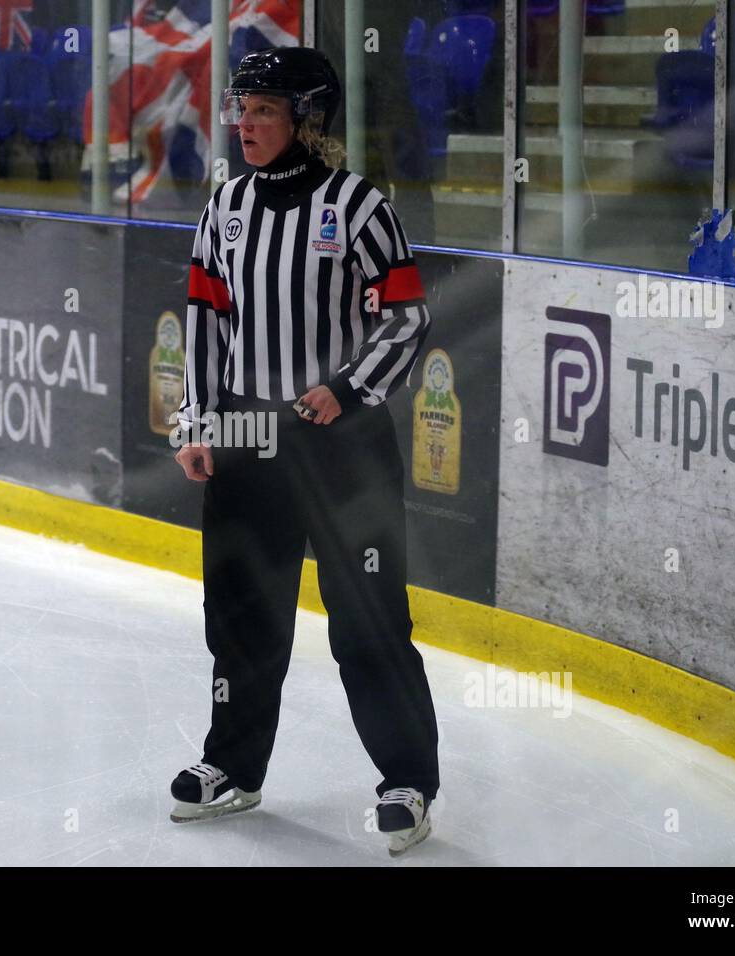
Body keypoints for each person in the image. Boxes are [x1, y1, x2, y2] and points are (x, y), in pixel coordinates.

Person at [168, 47, 441, 856]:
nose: (245, 124)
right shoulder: (225, 207)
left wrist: (350, 388)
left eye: (264, 111)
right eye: (240, 108)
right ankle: (234, 767)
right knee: (242, 616)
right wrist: (197, 419)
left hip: (341, 443)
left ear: (306, 122)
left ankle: (406, 782)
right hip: (249, 435)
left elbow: (408, 316)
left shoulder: (358, 207)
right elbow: (206, 317)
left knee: (367, 620)